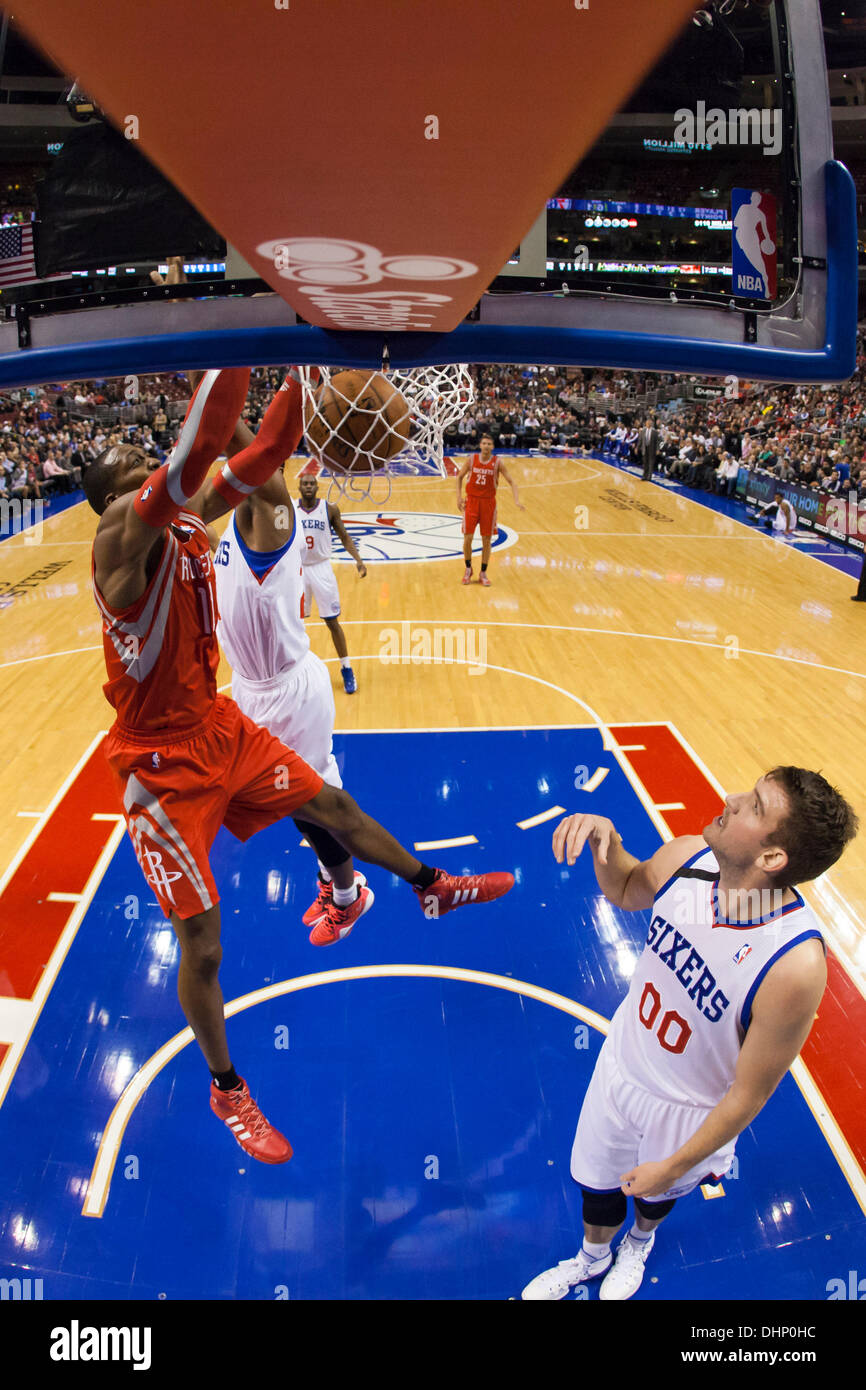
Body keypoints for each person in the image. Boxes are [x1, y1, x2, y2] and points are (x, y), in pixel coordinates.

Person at [85, 366, 514, 1167]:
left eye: (144, 467)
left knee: (330, 807)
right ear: (108, 504)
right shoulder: (119, 542)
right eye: (128, 478)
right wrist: (238, 337)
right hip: (160, 768)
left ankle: (430, 887)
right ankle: (227, 1088)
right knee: (204, 946)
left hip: (221, 724)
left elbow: (264, 453)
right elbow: (209, 440)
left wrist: (303, 365)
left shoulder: (184, 522)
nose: (144, 475)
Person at [522, 767, 857, 1301]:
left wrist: (675, 1166)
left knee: (654, 1194)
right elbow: (629, 887)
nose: (731, 797)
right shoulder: (686, 859)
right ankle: (590, 1256)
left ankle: (639, 1242)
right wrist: (606, 843)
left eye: (753, 806)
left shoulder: (794, 966)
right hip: (623, 1067)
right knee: (596, 1185)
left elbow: (750, 1094)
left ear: (773, 858)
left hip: (688, 1108)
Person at [209, 399, 369, 947]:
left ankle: (349, 898)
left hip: (286, 689)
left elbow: (242, 441)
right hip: (255, 688)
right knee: (308, 798)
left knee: (305, 803)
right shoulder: (234, 529)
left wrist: (210, 379)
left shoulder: (274, 520)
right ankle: (334, 881)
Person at [296, 472, 366, 694]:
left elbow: (344, 536)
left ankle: (346, 668)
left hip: (322, 568)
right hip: (298, 571)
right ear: (299, 487)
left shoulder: (329, 508)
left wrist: (358, 560)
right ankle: (297, 672)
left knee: (332, 621)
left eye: (311, 484)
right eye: (304, 484)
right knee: (296, 623)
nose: (308, 487)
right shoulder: (290, 509)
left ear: (317, 487)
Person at [456, 431, 523, 586]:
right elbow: (459, 477)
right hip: (471, 502)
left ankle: (483, 572)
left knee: (487, 540)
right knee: (467, 538)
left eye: (489, 444)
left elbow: (512, 481)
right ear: (480, 445)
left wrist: (517, 500)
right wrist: (459, 498)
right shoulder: (471, 460)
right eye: (484, 443)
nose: (486, 446)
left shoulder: (497, 462)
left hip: (488, 504)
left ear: (492, 446)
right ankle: (468, 569)